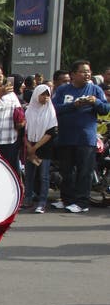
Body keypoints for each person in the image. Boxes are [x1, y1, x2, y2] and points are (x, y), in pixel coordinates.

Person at [51, 59, 110, 212]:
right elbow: (54, 109)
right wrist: (74, 105)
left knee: (84, 171)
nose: (87, 74)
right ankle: (67, 199)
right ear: (73, 75)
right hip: (66, 137)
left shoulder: (95, 90)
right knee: (66, 171)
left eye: (88, 71)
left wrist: (95, 102)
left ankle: (82, 202)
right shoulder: (63, 90)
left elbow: (105, 109)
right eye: (83, 71)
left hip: (85, 138)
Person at [23, 83, 58, 213]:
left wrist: (35, 147)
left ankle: (42, 202)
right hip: (30, 145)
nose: (45, 98)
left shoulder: (50, 111)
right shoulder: (29, 110)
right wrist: (29, 146)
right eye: (42, 95)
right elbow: (23, 131)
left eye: (47, 95)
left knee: (44, 176)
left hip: (44, 147)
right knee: (29, 175)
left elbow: (51, 132)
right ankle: (28, 199)